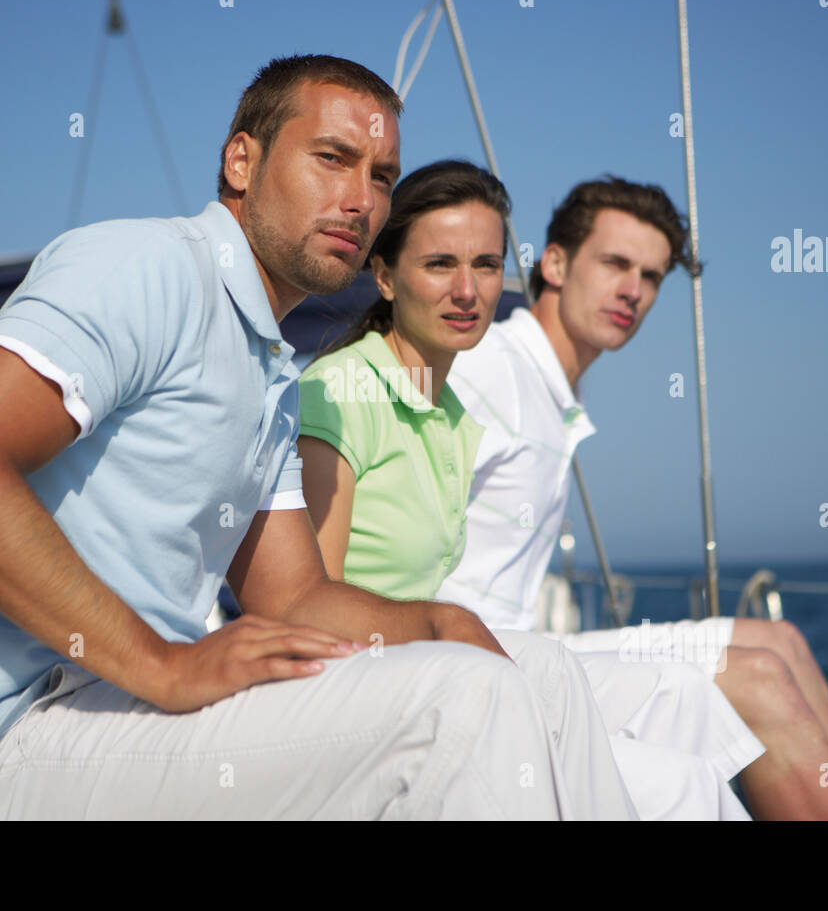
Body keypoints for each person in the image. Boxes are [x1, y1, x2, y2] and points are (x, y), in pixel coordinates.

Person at [0, 56, 634, 820]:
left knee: (542, 667)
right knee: (466, 699)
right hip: (11, 738)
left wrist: (436, 624)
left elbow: (294, 596)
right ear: (242, 160)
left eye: (381, 176)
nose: (360, 200)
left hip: (132, 714)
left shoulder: (270, 367)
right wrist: (162, 662)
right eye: (332, 159)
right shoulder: (144, 267)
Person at [298, 159, 758, 820]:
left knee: (682, 699)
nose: (468, 290)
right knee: (683, 788)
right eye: (439, 265)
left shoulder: (449, 414)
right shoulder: (342, 390)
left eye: (486, 265)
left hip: (435, 667)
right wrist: (445, 630)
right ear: (384, 275)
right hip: (372, 696)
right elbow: (306, 602)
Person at [442, 175, 828, 820]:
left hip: (527, 641)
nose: (634, 291)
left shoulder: (554, 388)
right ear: (557, 263)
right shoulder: (489, 371)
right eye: (617, 264)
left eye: (651, 277)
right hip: (482, 655)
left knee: (781, 641)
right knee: (757, 679)